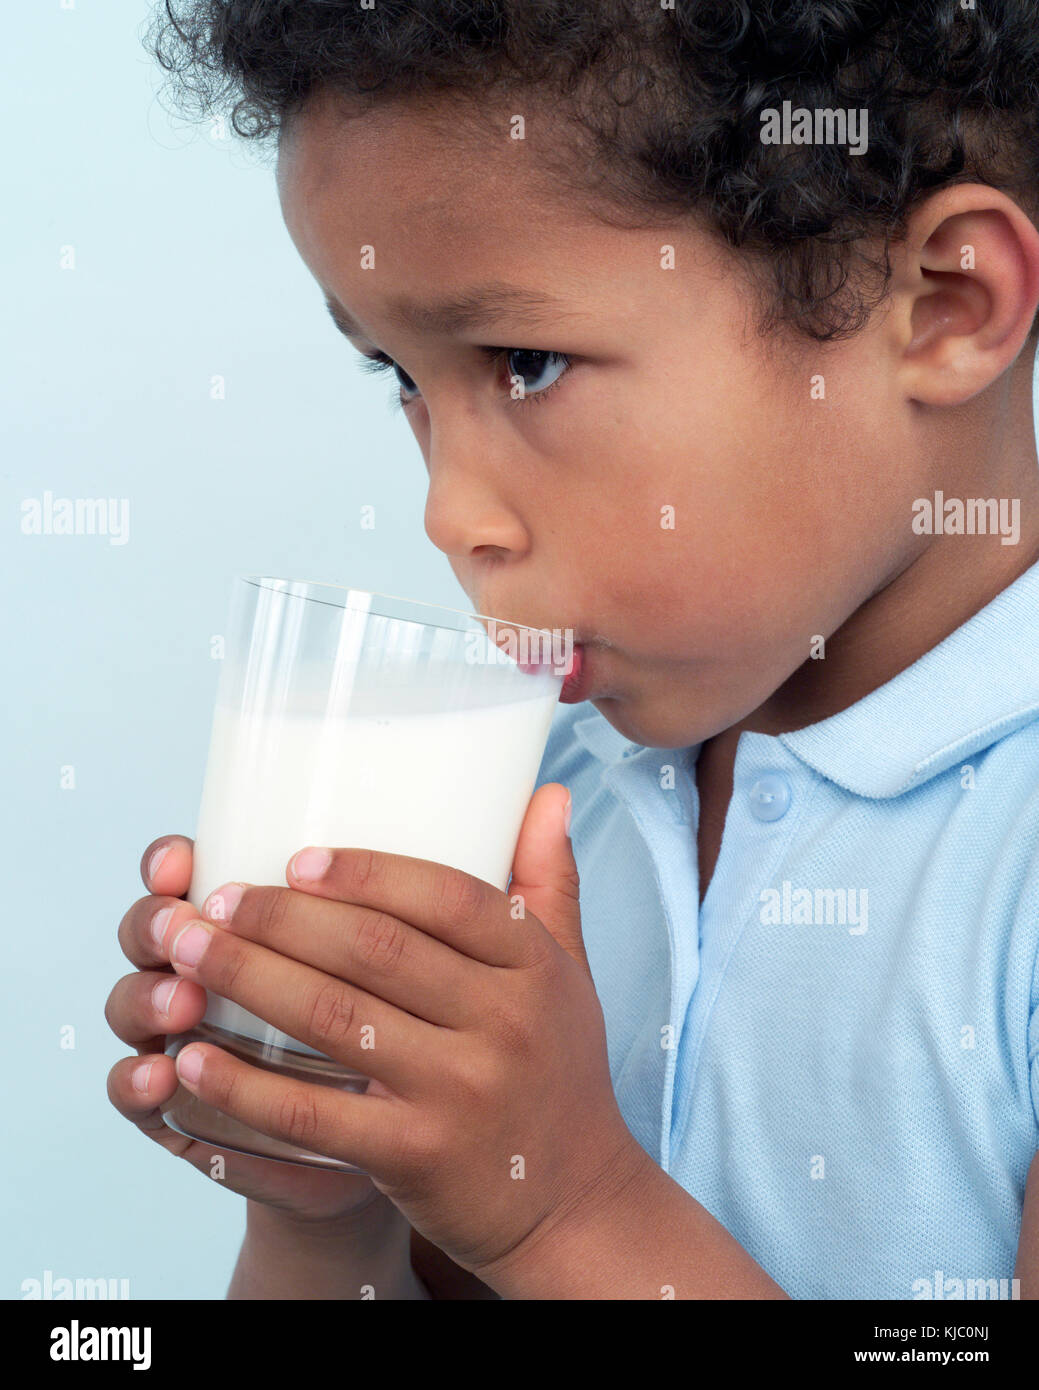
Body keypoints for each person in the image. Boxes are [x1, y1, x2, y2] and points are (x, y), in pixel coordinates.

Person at [106, 0, 1039, 1298]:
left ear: (943, 305)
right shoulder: (547, 800)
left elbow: (549, 1218)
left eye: (526, 361)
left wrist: (565, 1209)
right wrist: (330, 1204)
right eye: (402, 376)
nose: (447, 514)